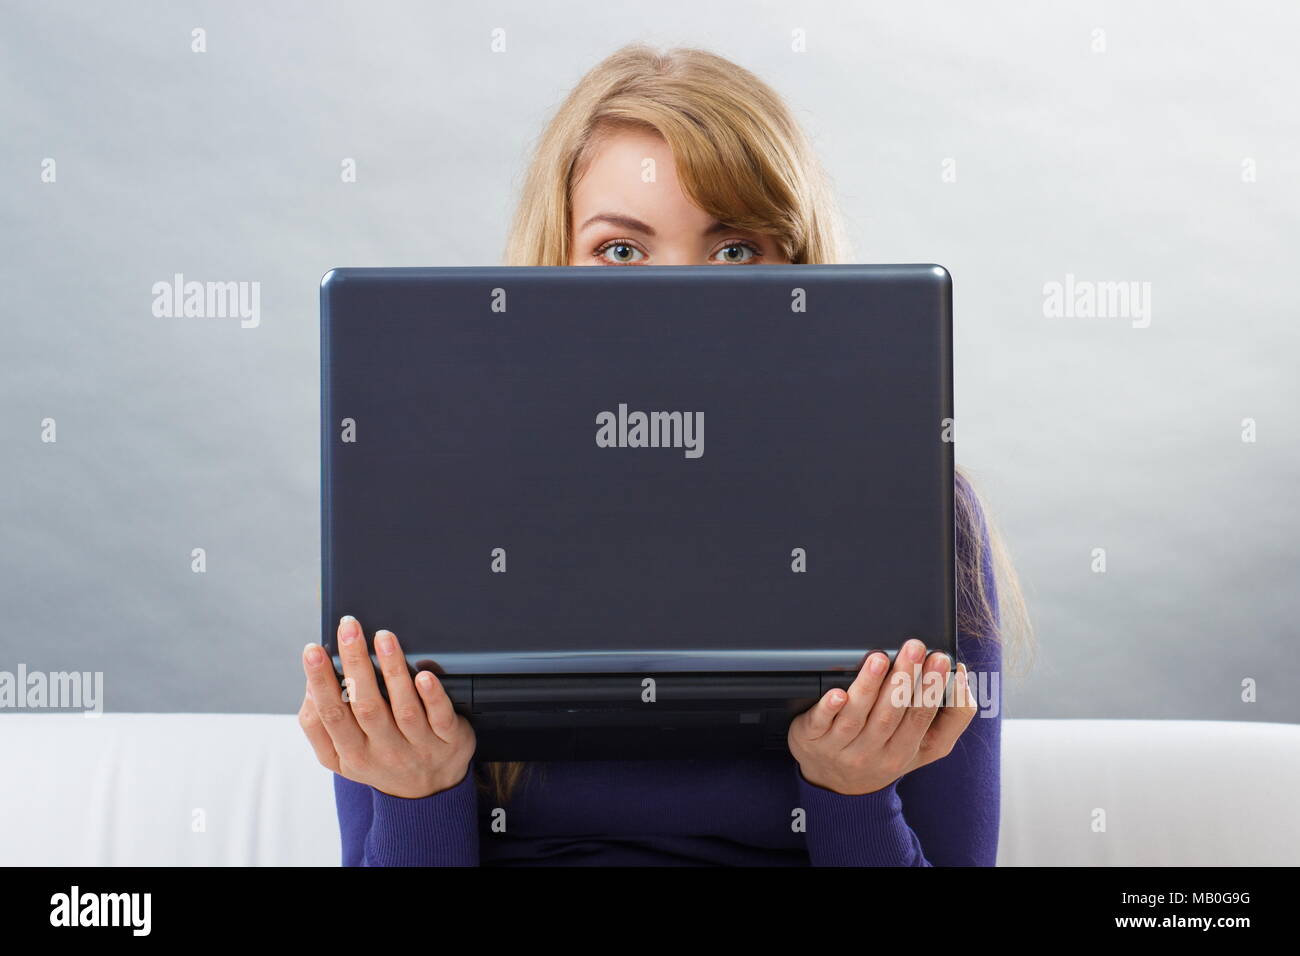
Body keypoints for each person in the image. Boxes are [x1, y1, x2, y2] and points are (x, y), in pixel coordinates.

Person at [299, 44, 1031, 866]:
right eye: (621, 250)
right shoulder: (424, 511)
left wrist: (851, 794)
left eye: (734, 250)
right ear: (556, 263)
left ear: (799, 269)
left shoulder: (917, 518)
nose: (680, 302)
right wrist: (416, 792)